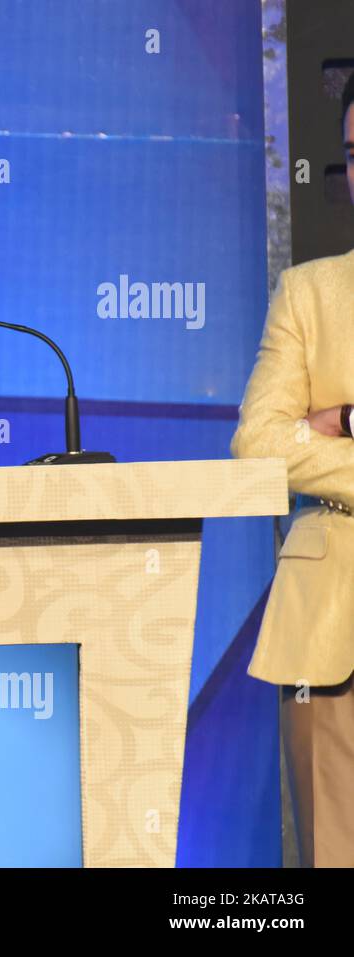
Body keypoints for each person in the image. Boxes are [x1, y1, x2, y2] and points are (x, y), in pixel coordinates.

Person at [230, 72, 354, 867]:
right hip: (329, 629)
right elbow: (259, 445)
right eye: (353, 153)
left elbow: (301, 438)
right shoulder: (308, 292)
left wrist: (338, 422)